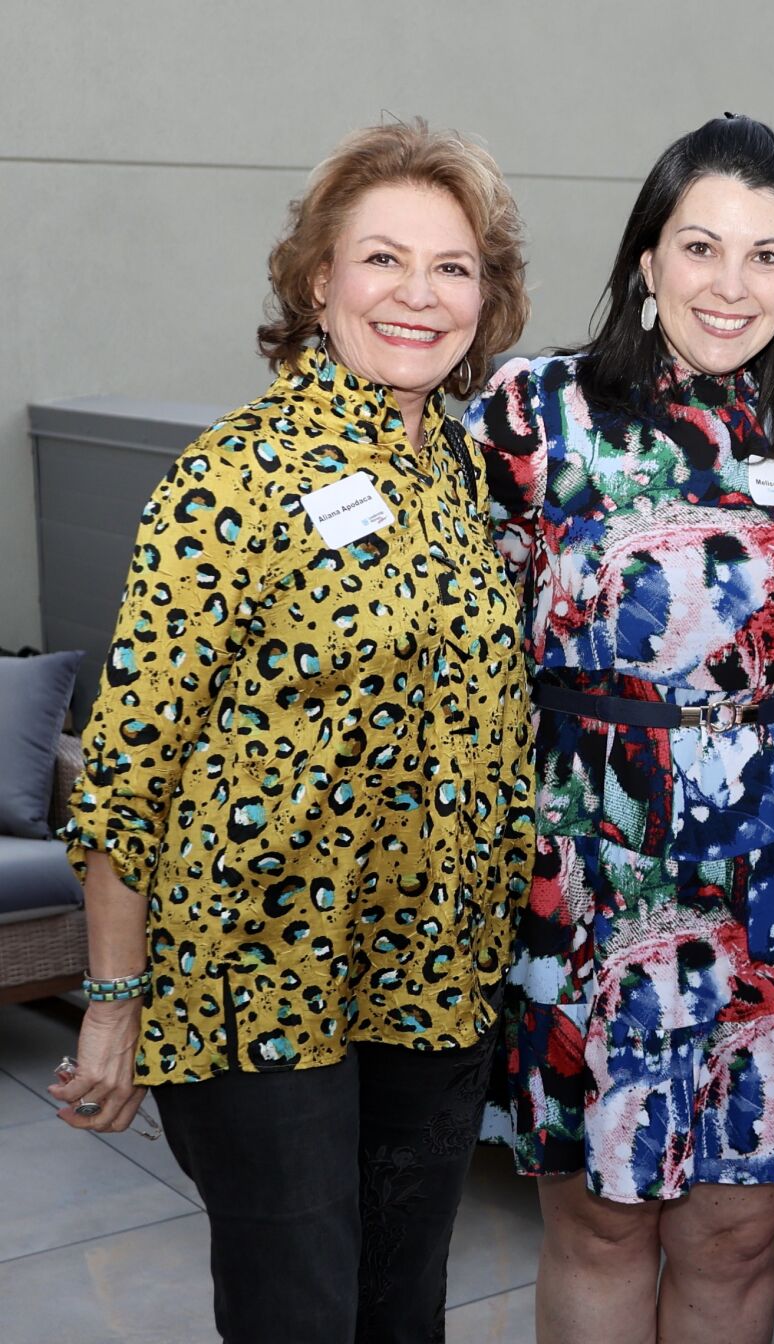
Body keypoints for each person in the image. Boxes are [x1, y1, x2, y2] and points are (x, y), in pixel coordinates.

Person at [48, 120, 537, 1344]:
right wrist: (113, 1003)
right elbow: (127, 771)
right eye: (383, 260)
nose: (418, 296)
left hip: (431, 979)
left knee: (402, 1313)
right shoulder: (234, 476)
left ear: (489, 294)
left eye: (453, 266)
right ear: (318, 280)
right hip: (259, 991)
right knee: (298, 1320)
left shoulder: (464, 478)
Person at [466, 114, 774, 1344]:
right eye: (700, 247)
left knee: (740, 1233)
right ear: (646, 258)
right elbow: (457, 646)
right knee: (597, 1218)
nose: (730, 285)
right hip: (588, 865)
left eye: (767, 255)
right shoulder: (531, 417)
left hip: (771, 878)